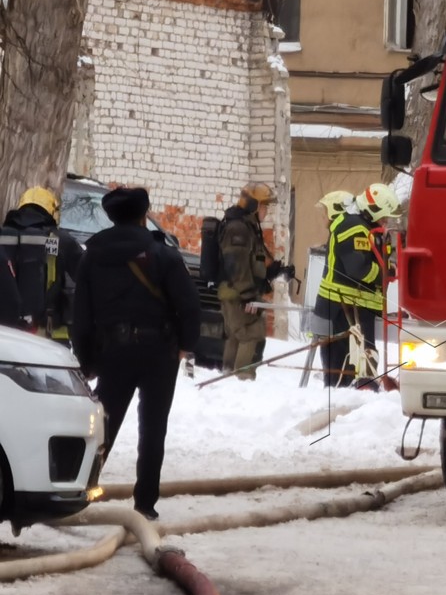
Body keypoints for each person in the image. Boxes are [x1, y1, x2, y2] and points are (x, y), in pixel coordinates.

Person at [72, 186, 200, 521]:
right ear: (144, 215)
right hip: (159, 351)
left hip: (113, 352)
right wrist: (186, 344)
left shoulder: (93, 254)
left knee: (104, 425)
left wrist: (87, 360)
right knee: (153, 426)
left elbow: (81, 315)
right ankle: (145, 504)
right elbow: (188, 303)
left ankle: (82, 489)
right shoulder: (162, 253)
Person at [312, 181, 397, 388]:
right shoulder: (353, 228)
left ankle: (359, 400)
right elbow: (358, 269)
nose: (386, 221)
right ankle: (342, 408)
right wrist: (387, 273)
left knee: (362, 364)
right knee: (343, 373)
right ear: (374, 209)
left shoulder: (365, 227)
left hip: (356, 308)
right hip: (343, 309)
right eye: (384, 215)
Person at [216, 183, 290, 381]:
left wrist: (274, 271)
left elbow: (252, 263)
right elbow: (236, 266)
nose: (266, 211)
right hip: (238, 294)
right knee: (251, 334)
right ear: (253, 205)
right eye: (264, 206)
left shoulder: (247, 227)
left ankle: (228, 379)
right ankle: (242, 379)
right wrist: (248, 296)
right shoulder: (238, 229)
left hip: (239, 292)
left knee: (237, 335)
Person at [0, 186, 84, 341]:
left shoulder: (3, 236)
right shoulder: (62, 240)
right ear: (51, 211)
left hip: (5, 335)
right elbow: (85, 277)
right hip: (48, 337)